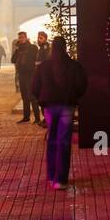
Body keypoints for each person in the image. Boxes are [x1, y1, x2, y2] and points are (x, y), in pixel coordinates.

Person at [32, 36, 87, 189]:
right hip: (66, 106)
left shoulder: (43, 66)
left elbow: (34, 87)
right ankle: (60, 179)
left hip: (49, 107)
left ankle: (51, 175)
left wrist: (42, 99)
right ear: (64, 48)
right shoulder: (73, 66)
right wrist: (74, 97)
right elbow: (82, 84)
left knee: (52, 140)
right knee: (63, 141)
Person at [11, 32, 41, 126]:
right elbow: (13, 60)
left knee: (32, 96)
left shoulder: (32, 47)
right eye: (19, 37)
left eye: (22, 37)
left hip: (30, 74)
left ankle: (37, 118)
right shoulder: (19, 49)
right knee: (24, 97)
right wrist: (16, 49)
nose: (21, 39)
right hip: (22, 75)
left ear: (26, 37)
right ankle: (26, 117)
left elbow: (36, 58)